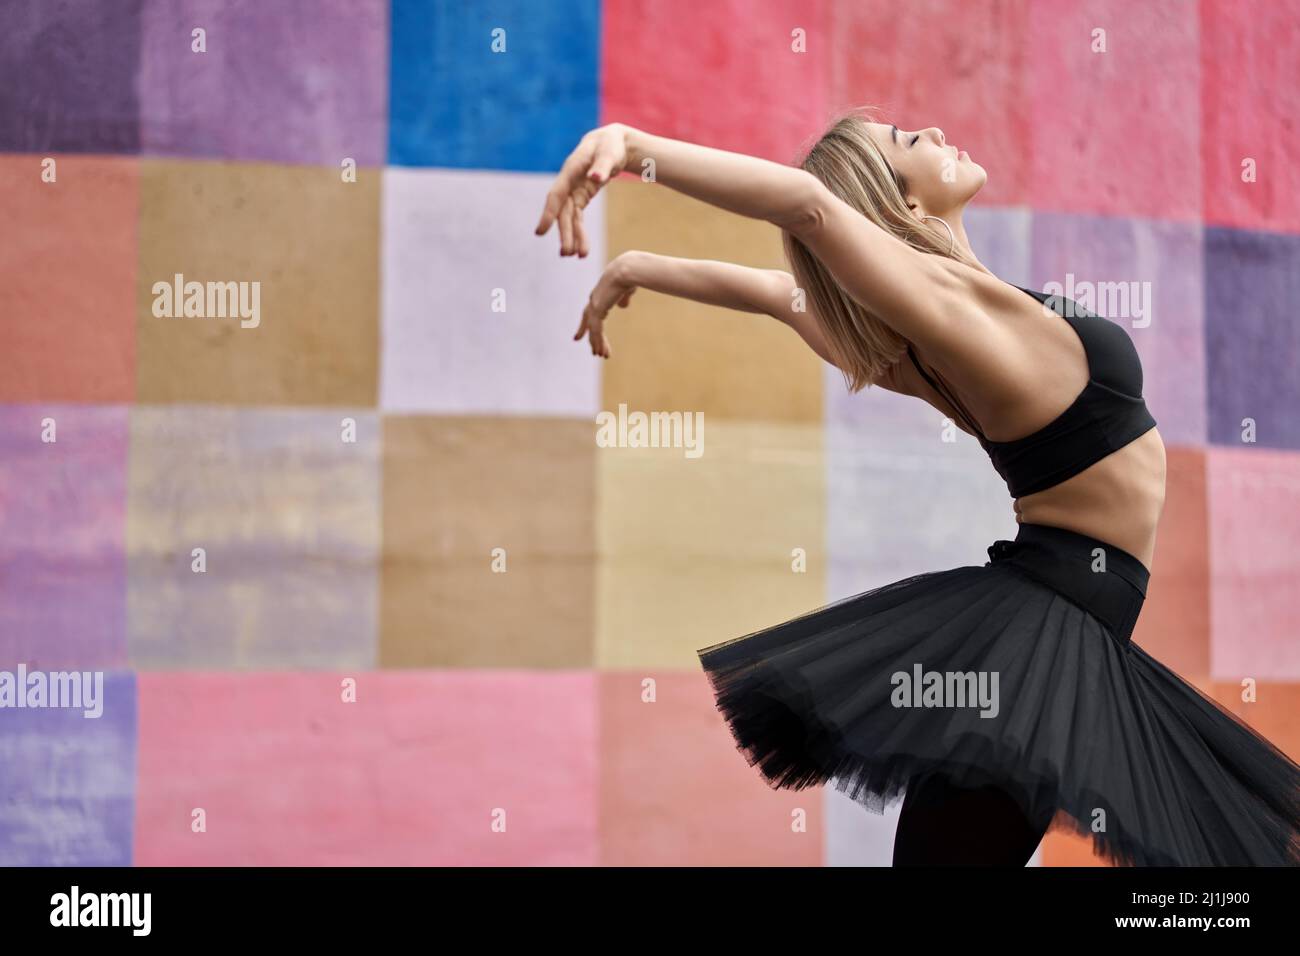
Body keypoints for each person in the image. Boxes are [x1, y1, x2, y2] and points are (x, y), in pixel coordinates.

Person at [533, 108, 1300, 866]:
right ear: (901, 204)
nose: (932, 132)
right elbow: (807, 209)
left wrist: (639, 267)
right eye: (907, 143)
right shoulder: (947, 317)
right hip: (1042, 635)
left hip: (1056, 631)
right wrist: (634, 147)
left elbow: (778, 293)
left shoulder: (941, 333)